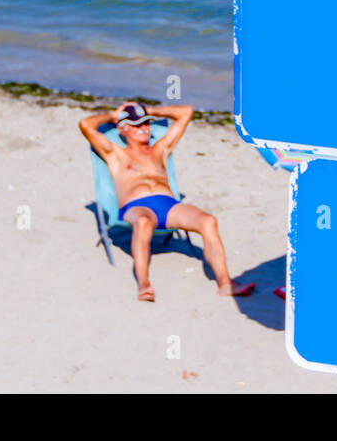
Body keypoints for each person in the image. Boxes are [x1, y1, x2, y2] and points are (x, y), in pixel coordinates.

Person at [78, 102, 255, 301]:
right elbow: (85, 124)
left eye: (146, 123)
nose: (145, 128)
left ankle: (225, 284)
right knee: (144, 222)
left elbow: (186, 112)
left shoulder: (160, 149)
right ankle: (144, 284)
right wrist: (113, 115)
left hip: (170, 207)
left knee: (208, 221)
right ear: (122, 129)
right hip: (136, 207)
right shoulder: (115, 154)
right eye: (137, 125)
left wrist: (150, 111)